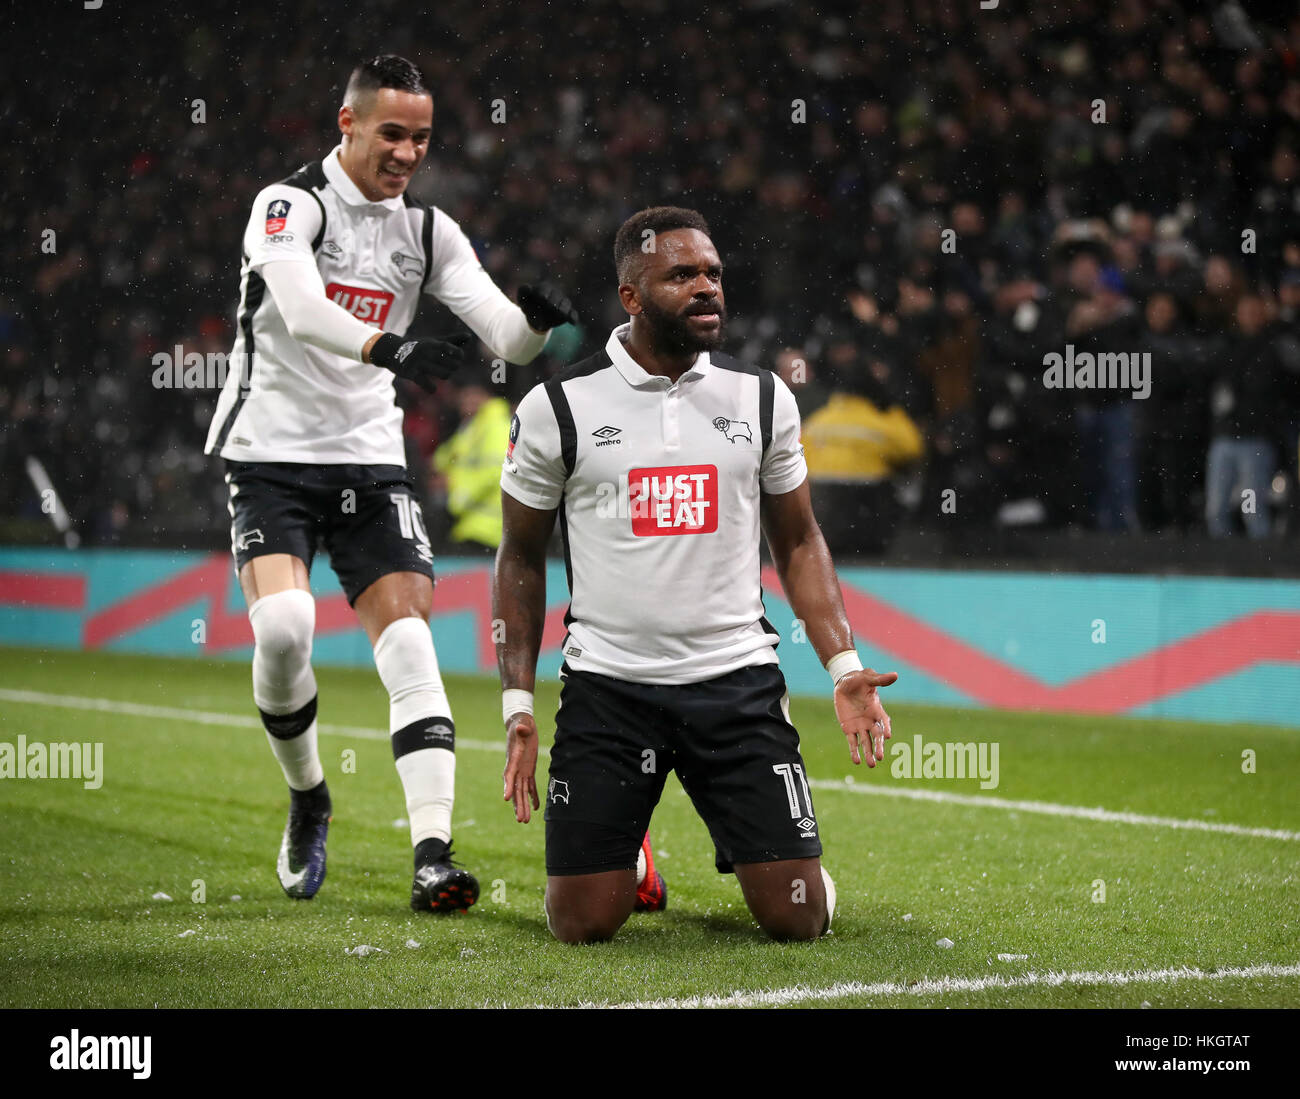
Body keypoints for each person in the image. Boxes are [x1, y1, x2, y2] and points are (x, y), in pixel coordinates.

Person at [203, 55, 579, 911]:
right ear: (348, 123)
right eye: (392, 133)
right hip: (271, 452)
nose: (408, 152)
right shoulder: (287, 204)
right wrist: (394, 347)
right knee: (287, 631)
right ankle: (308, 796)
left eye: (421, 137)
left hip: (368, 458)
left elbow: (503, 338)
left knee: (410, 644)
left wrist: (538, 324)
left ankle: (433, 856)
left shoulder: (430, 232)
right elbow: (300, 311)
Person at [492, 206, 897, 943]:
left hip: (735, 681)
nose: (707, 287)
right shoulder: (557, 408)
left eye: (713, 273)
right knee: (580, 923)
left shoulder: (764, 397)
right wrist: (517, 703)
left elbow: (800, 540)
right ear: (632, 296)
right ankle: (633, 856)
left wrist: (844, 665)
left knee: (798, 918)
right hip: (609, 686)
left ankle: (751, 834)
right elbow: (518, 558)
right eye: (682, 275)